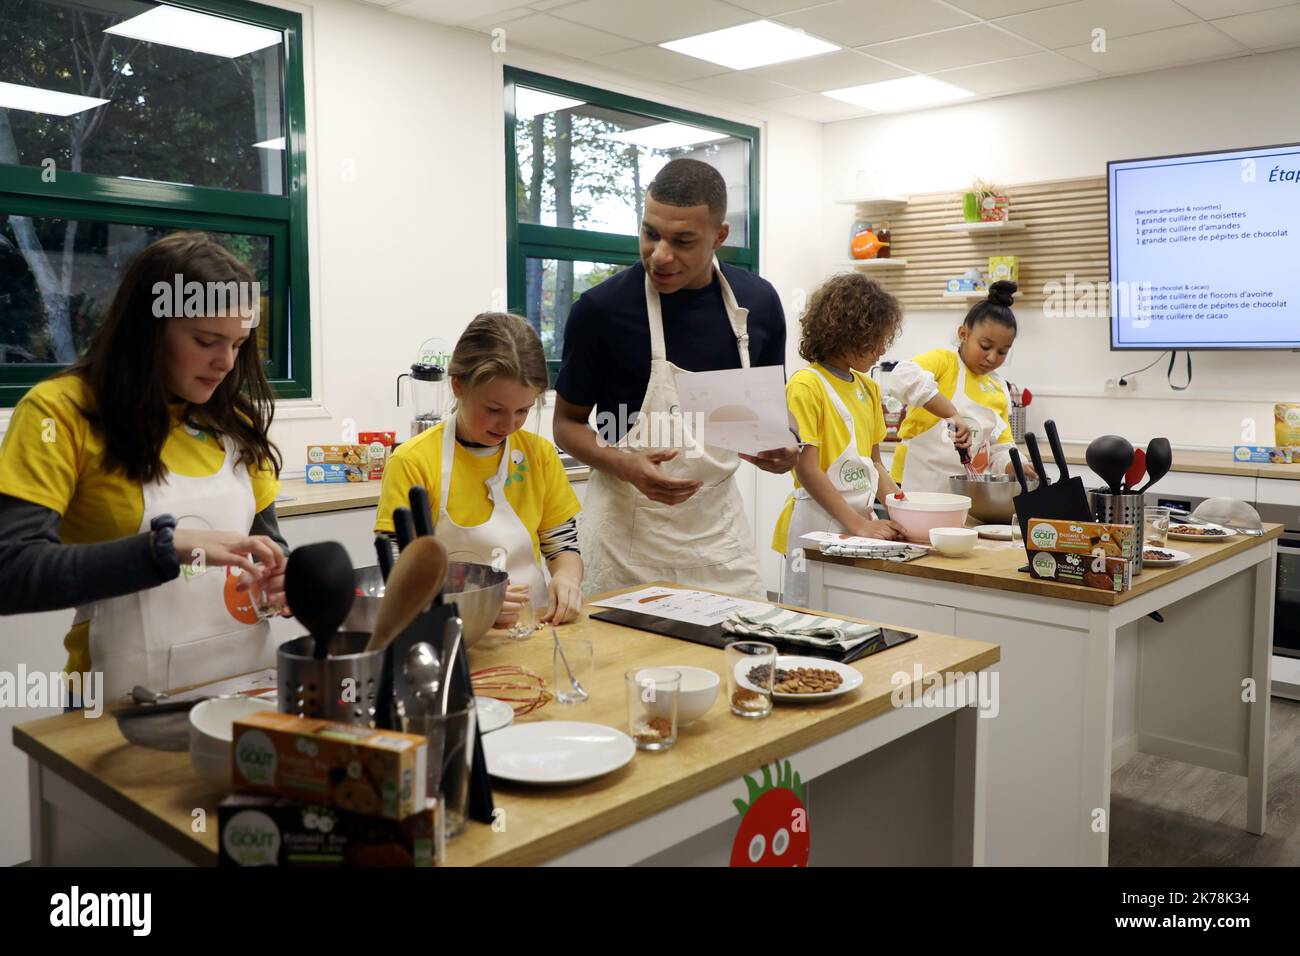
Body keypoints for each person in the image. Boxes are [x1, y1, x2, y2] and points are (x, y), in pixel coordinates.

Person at [0, 233, 289, 702]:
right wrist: (163, 550)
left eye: (238, 343)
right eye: (206, 340)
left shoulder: (233, 421)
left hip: (246, 689)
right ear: (148, 329)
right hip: (119, 701)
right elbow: (11, 572)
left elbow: (267, 543)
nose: (225, 363)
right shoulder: (60, 413)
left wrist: (280, 575)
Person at [553, 158, 796, 601]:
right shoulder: (602, 311)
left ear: (719, 236)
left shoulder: (758, 303)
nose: (660, 255)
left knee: (743, 660)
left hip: (719, 540)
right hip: (625, 540)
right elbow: (566, 425)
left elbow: (773, 412)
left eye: (683, 241)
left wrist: (786, 444)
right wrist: (626, 465)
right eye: (650, 234)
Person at [375, 313, 583, 628]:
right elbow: (395, 572)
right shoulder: (413, 462)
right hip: (448, 635)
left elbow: (562, 546)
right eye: (494, 410)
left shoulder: (538, 455)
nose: (508, 424)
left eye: (523, 411)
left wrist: (567, 578)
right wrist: (469, 602)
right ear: (458, 385)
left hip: (531, 628)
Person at [772, 273, 907, 607]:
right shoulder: (806, 386)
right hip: (815, 524)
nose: (881, 350)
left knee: (852, 612)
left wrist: (905, 511)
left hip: (860, 524)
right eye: (875, 339)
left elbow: (875, 463)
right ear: (846, 333)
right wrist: (858, 525)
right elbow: (808, 470)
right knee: (808, 618)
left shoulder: (869, 388)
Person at [888, 280, 1038, 491]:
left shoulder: (998, 387)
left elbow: (1000, 446)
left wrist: (1014, 464)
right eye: (985, 346)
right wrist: (951, 413)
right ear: (963, 334)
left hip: (960, 491)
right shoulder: (943, 363)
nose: (992, 357)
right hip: (913, 484)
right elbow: (901, 376)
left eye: (1003, 351)